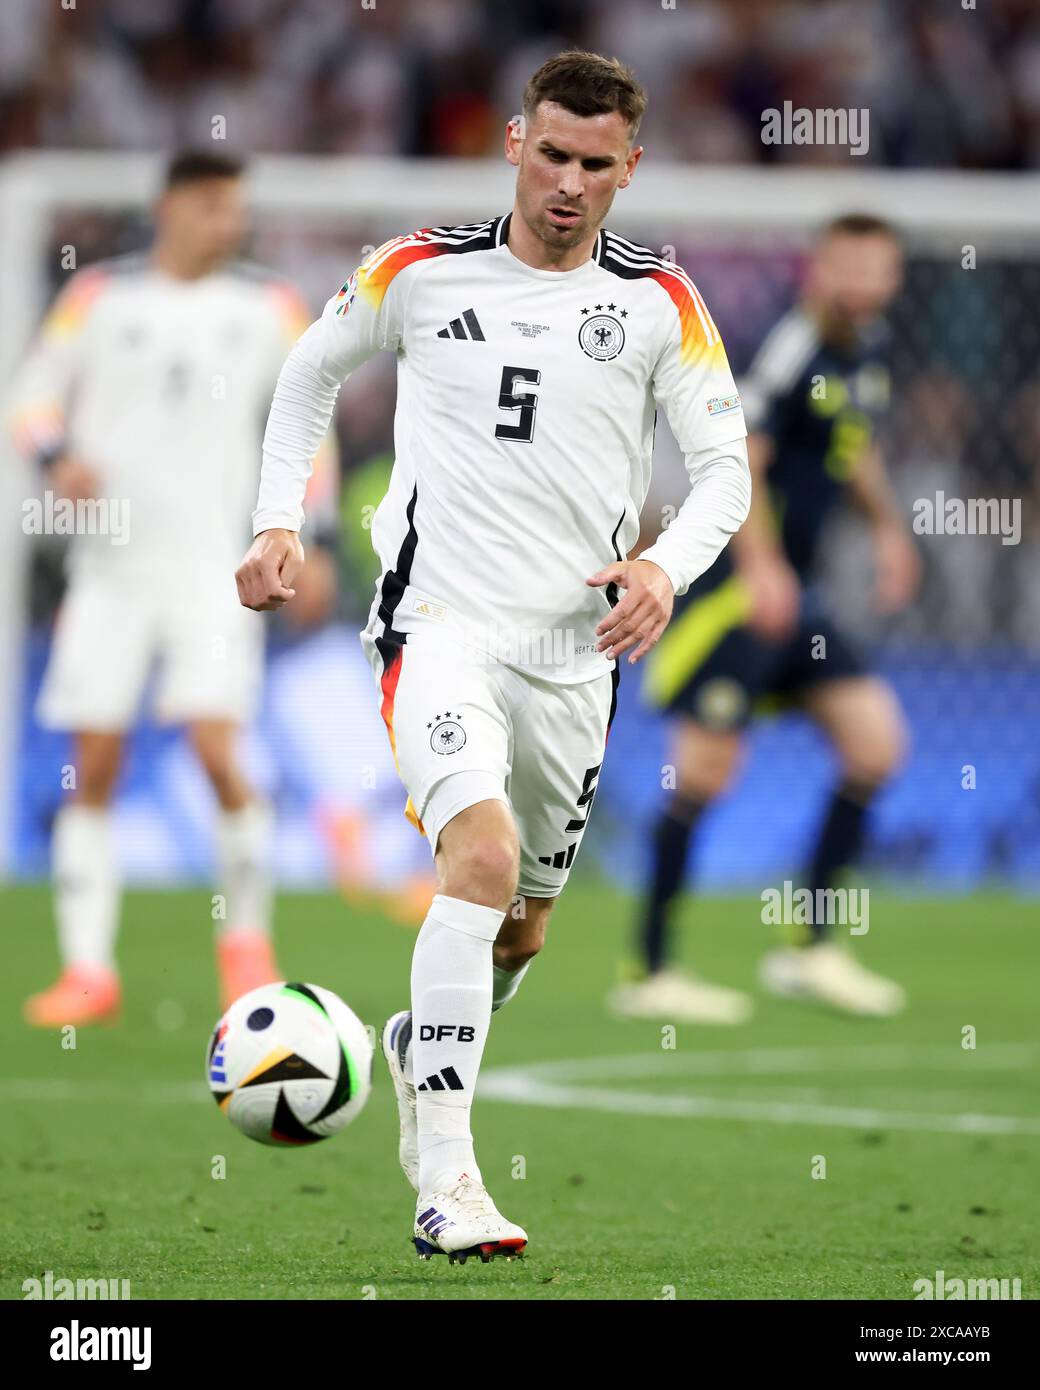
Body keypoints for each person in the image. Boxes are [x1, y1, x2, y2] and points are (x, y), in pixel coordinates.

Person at [236, 51, 751, 1262]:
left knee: (519, 931)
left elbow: (724, 469)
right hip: (438, 628)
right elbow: (308, 373)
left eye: (594, 163)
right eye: (551, 153)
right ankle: (449, 1182)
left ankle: (427, 1042)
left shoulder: (660, 301)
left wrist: (665, 566)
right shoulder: (416, 268)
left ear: (632, 168)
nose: (567, 183)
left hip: (576, 656)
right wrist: (276, 522)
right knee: (475, 858)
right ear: (514, 141)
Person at [11, 150, 336, 1027]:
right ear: (170, 206)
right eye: (213, 206)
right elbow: (32, 397)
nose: (229, 223)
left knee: (218, 751)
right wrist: (54, 456)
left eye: (236, 208)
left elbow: (307, 423)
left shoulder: (269, 305)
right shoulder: (97, 300)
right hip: (110, 571)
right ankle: (88, 970)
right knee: (96, 767)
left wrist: (316, 533)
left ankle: (246, 945)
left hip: (214, 571)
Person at [614, 214, 919, 1025]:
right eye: (848, 264)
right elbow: (740, 454)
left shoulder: (867, 352)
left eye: (878, 267)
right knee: (706, 773)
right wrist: (763, 566)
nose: (863, 281)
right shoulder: (789, 350)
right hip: (734, 595)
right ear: (819, 268)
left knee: (875, 745)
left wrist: (888, 528)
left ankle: (812, 949)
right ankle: (648, 969)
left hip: (798, 595)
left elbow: (851, 449)